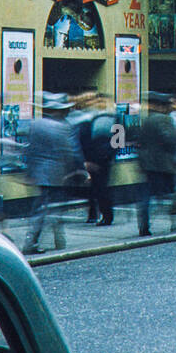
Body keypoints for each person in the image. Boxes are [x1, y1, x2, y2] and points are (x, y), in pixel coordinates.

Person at [22, 92, 85, 255]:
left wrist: (29, 172)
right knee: (55, 207)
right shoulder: (64, 127)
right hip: (58, 174)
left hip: (39, 173)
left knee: (40, 207)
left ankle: (37, 239)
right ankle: (51, 241)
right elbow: (72, 152)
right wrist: (79, 170)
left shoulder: (36, 124)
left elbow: (29, 150)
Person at [137, 93, 176, 236]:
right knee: (170, 193)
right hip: (162, 164)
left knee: (145, 196)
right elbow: (169, 139)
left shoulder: (146, 120)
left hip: (146, 163)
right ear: (163, 106)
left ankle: (143, 226)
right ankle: (173, 222)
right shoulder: (165, 119)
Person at [79, 93, 118, 226]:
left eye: (102, 101)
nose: (99, 103)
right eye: (97, 101)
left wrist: (108, 156)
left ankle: (107, 216)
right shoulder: (89, 118)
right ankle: (93, 213)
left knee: (101, 188)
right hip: (89, 158)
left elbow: (119, 140)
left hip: (103, 160)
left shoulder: (114, 118)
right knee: (93, 188)